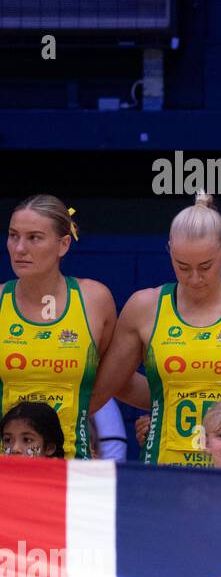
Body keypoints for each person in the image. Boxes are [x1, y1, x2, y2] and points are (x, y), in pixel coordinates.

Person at [90, 193, 221, 466]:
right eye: (182, 267)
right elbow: (110, 384)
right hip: (163, 470)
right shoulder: (145, 307)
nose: (194, 278)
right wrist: (164, 403)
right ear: (170, 250)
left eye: (206, 266)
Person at [2, 194, 119, 458]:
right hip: (6, 472)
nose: (19, 248)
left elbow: (117, 378)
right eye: (13, 235)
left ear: (64, 244)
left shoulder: (94, 300)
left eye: (34, 237)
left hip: (73, 467)